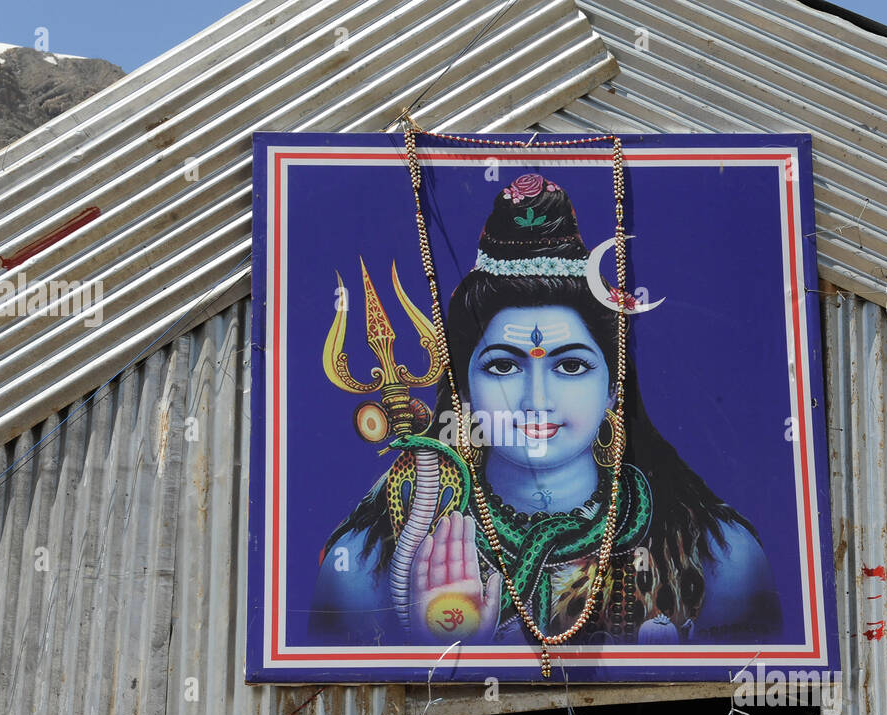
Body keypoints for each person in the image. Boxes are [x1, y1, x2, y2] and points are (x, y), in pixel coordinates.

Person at [311, 174, 780, 646]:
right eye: (502, 366)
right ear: (463, 390)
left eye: (572, 365)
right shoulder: (368, 563)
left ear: (614, 388)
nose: (537, 400)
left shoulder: (719, 556)